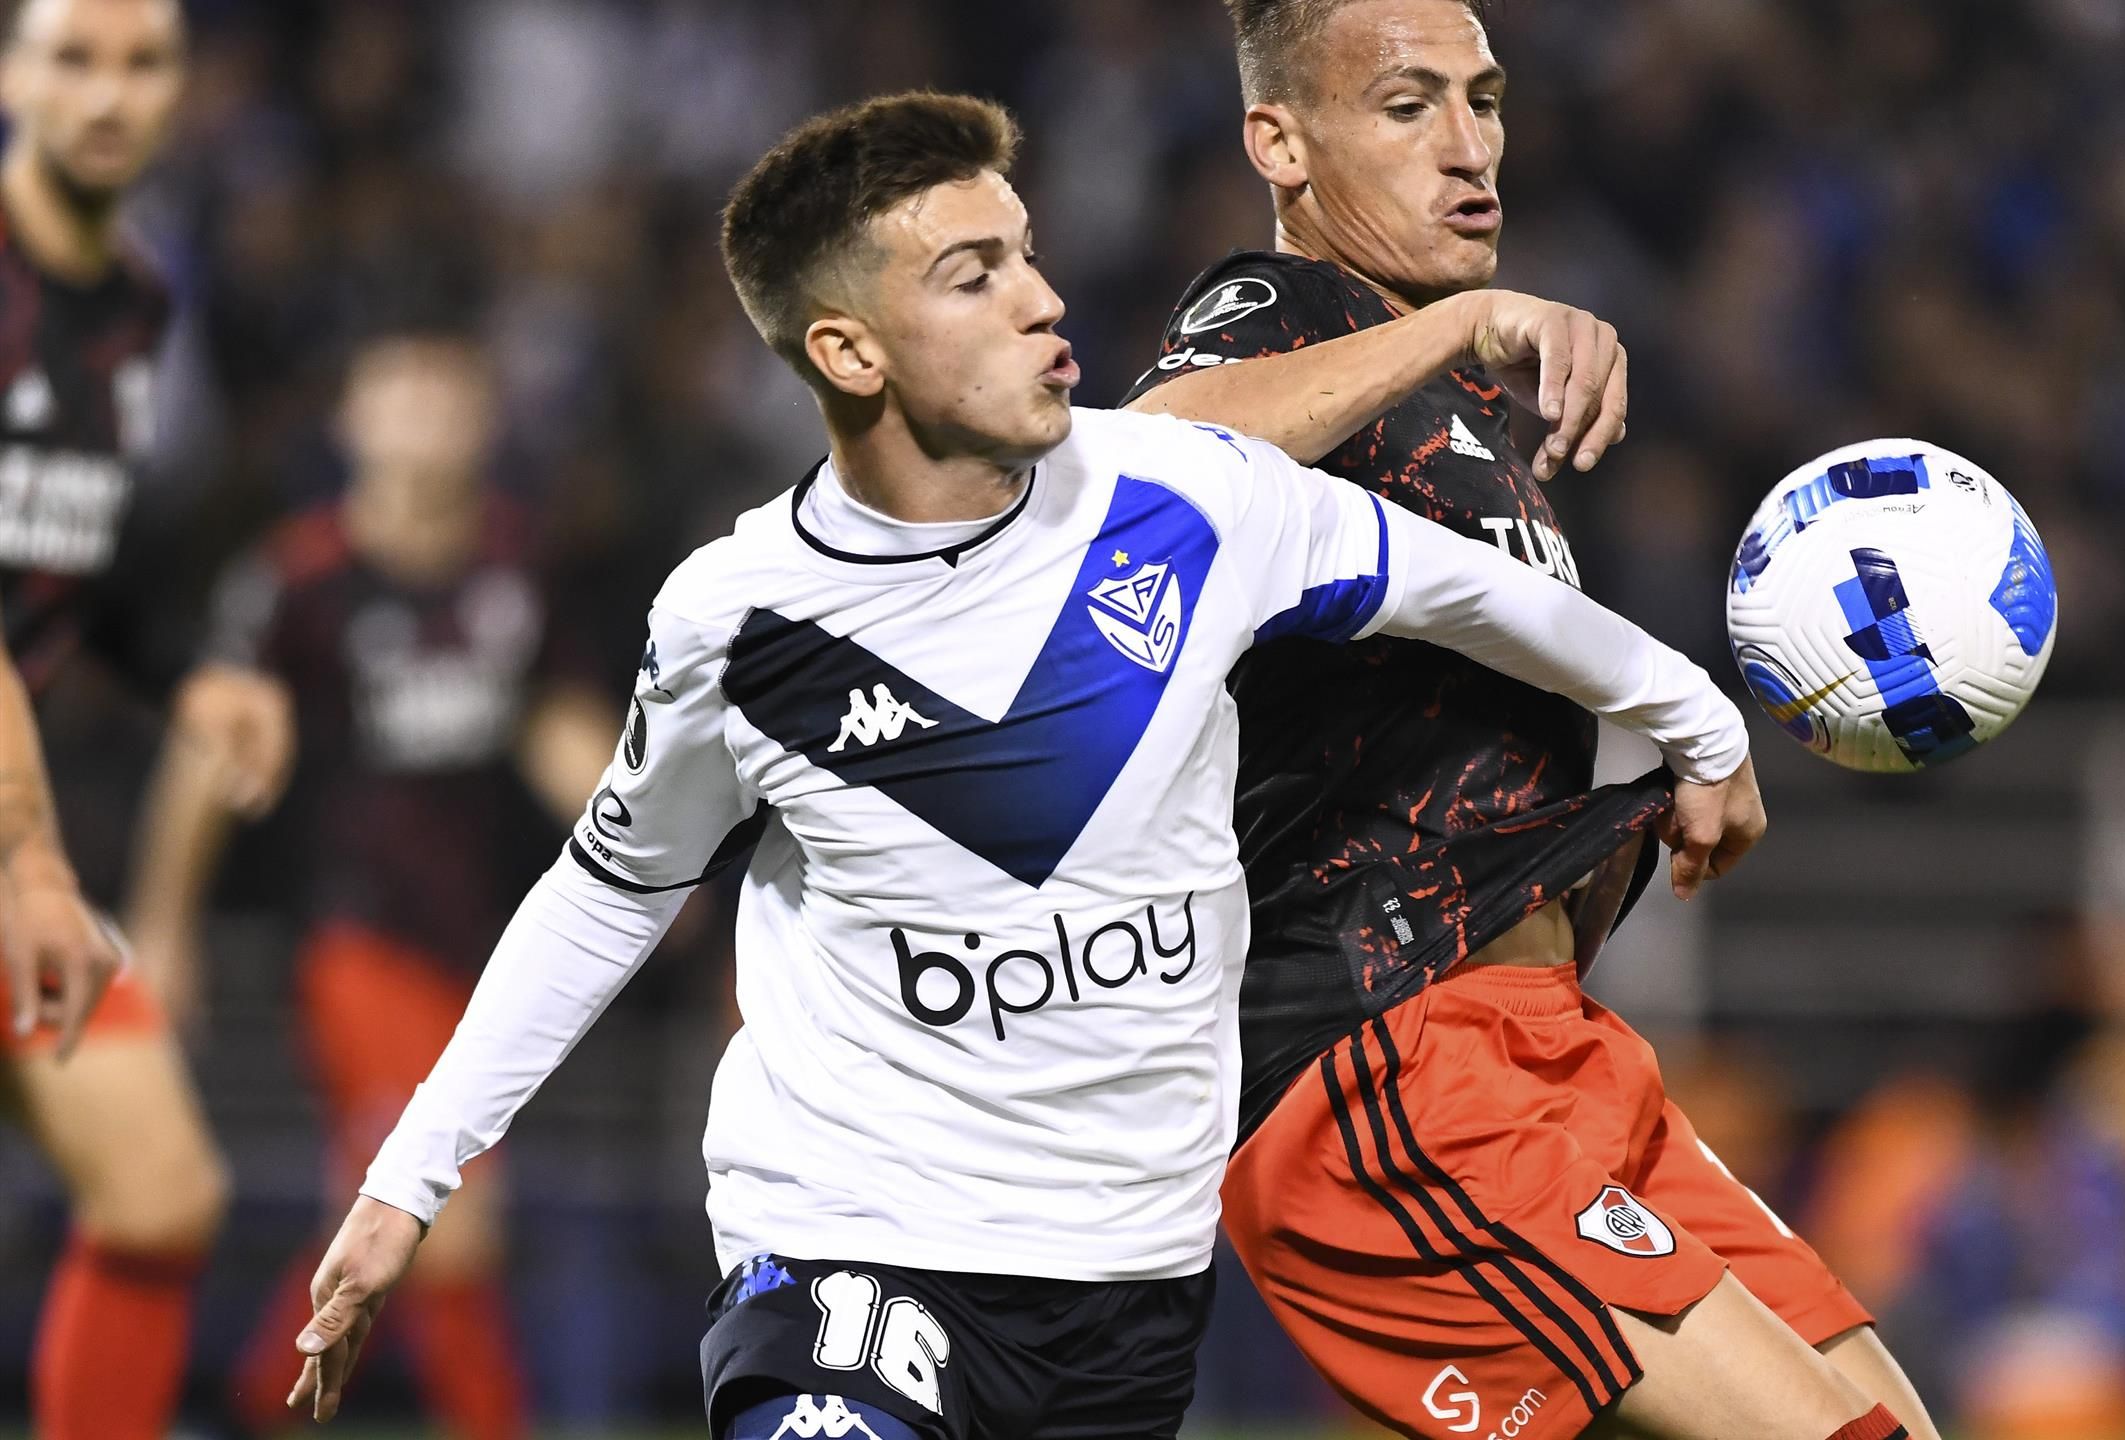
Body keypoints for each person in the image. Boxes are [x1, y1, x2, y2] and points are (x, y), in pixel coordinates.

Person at [281, 91, 1761, 1440]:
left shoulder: (1192, 502)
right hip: (855, 1253)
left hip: (1123, 1289)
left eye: (1029, 255)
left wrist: (1699, 724)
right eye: (972, 276)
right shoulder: (738, 626)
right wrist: (412, 1178)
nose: (1046, 303)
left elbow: (1468, 591)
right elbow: (605, 895)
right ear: (849, 352)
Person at [1124, 3, 1942, 1437]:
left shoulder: (1452, 416)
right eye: (1407, 105)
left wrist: (1646, 773)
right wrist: (1460, 320)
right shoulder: (1281, 312)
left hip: (1554, 1052)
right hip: (1388, 1063)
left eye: (1486, 99)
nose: (1470, 146)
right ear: (1281, 142)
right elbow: (1150, 475)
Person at [123, 332, 621, 1440]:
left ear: (485, 424)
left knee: (382, 1210)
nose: (423, 420)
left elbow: (555, 722)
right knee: (452, 1210)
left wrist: (659, 855)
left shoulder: (517, 563)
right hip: (355, 937)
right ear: (348, 423)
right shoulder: (299, 575)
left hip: (484, 943)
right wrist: (164, 922)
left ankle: (254, 1411)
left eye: (446, 399)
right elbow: (213, 750)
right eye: (397, 398)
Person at [0, 1, 291, 1435]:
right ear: (9, 74)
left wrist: (189, 675)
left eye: (140, 62)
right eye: (70, 56)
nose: (106, 93)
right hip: (16, 855)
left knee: (161, 1194)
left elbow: (64, 572)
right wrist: (35, 868)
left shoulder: (135, 301)